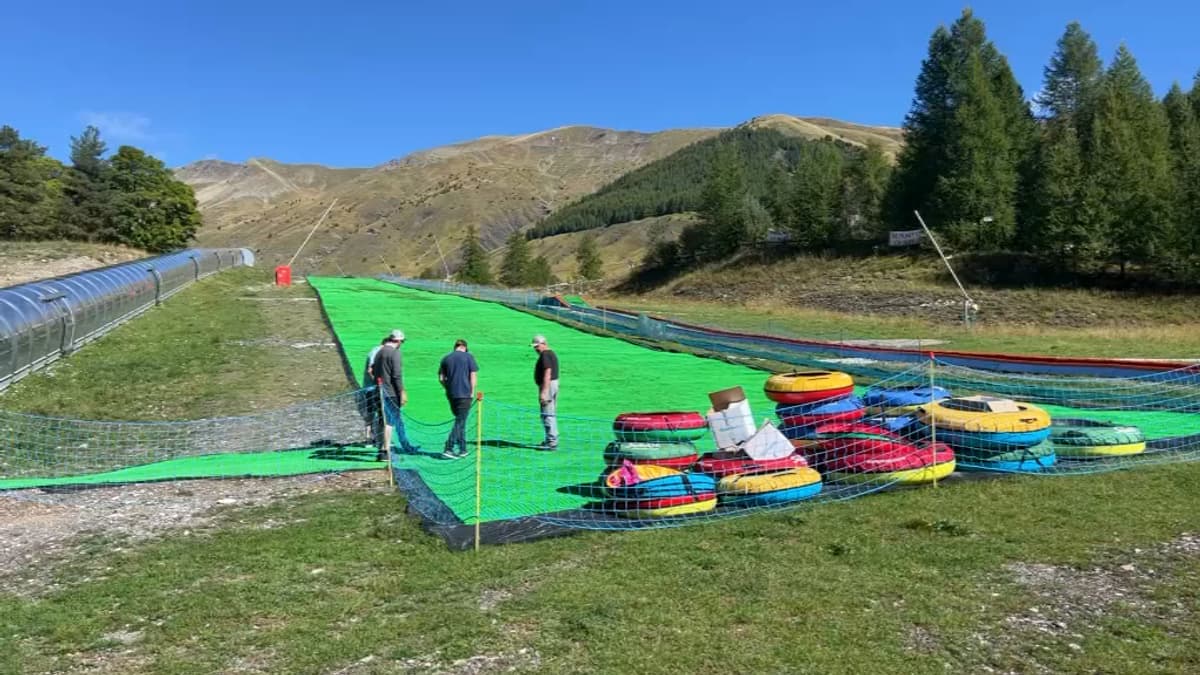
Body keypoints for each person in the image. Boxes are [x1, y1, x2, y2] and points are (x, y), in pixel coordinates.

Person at [372, 328, 420, 459]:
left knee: (383, 421)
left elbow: (374, 373)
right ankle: (385, 450)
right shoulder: (395, 354)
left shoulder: (379, 352)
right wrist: (402, 391)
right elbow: (397, 375)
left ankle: (382, 447)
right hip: (390, 393)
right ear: (398, 341)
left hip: (378, 391)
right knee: (390, 423)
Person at [437, 339, 478, 459]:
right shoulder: (469, 357)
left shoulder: (446, 358)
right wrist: (472, 391)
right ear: (465, 347)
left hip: (451, 394)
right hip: (464, 394)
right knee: (460, 421)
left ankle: (463, 448)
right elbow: (473, 376)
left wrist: (447, 388)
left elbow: (440, 377)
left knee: (460, 420)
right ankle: (448, 448)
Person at [357, 337, 389, 450]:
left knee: (379, 413)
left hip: (375, 388)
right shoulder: (376, 352)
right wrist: (378, 384)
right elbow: (370, 370)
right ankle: (368, 438)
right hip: (371, 389)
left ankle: (378, 438)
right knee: (372, 413)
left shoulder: (379, 351)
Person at [531, 334, 559, 450]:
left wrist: (544, 392)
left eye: (537, 346)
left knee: (547, 413)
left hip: (548, 385)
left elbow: (547, 373)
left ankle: (552, 442)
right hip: (553, 384)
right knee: (549, 412)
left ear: (543, 344)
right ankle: (551, 439)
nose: (535, 349)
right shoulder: (551, 353)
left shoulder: (545, 355)